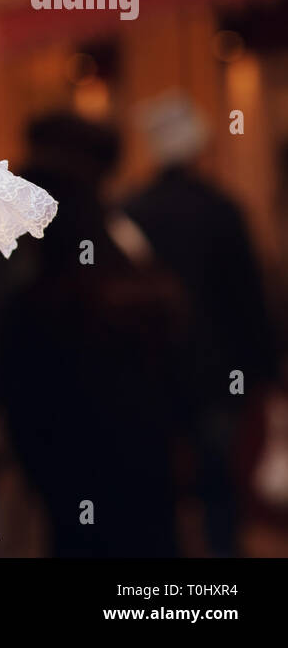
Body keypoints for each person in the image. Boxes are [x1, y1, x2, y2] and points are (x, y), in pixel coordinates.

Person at [0, 113, 194, 557]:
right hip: (147, 484)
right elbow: (182, 391)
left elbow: (18, 411)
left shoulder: (34, 308)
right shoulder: (143, 287)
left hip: (73, 496)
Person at [124, 92, 277, 555]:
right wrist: (264, 370)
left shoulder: (132, 212)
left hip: (154, 375)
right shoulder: (221, 209)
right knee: (220, 488)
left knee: (163, 488)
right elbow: (249, 299)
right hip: (218, 376)